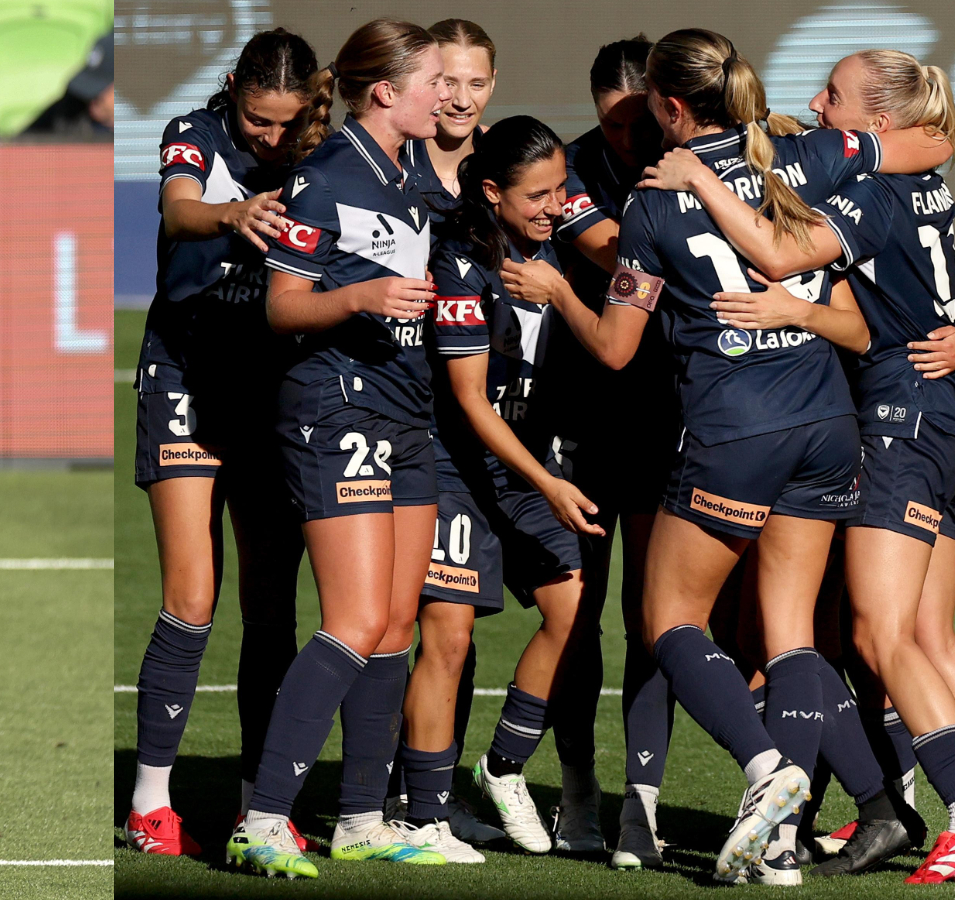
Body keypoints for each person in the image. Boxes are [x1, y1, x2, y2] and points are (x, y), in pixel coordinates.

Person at [503, 27, 954, 883]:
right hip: (828, 423)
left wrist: (560, 286)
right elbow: (928, 138)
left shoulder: (651, 202)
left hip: (733, 429)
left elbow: (616, 349)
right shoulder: (802, 152)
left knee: (667, 618)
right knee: (789, 638)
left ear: (671, 106)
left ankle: (767, 770)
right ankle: (823, 831)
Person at [641, 49, 955, 883]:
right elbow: (927, 175)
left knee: (878, 634)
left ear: (877, 122)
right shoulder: (916, 169)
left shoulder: (869, 185)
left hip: (899, 416)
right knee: (925, 634)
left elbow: (782, 258)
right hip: (952, 411)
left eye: (834, 95)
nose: (816, 105)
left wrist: (708, 199)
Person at [225, 18, 452, 879]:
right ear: (386, 90)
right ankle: (263, 816)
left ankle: (361, 816)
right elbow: (283, 305)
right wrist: (361, 296)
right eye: (433, 79)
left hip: (405, 410)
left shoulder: (407, 174)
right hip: (337, 406)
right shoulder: (323, 177)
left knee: (396, 624)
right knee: (355, 620)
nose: (448, 94)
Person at [124, 28, 317, 857]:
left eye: (285, 123)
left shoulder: (322, 155)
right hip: (187, 371)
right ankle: (149, 806)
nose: (269, 137)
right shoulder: (193, 135)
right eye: (256, 118)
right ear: (233, 88)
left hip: (274, 384)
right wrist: (229, 213)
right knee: (192, 596)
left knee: (272, 605)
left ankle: (258, 806)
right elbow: (177, 208)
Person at [416, 114, 607, 863]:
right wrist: (551, 484)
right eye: (537, 193)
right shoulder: (460, 261)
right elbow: (467, 401)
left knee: (572, 609)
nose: (555, 204)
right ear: (492, 192)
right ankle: (422, 809)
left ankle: (501, 769)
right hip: (456, 467)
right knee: (450, 638)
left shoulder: (554, 252)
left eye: (561, 187)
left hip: (526, 462)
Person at [540, 34, 681, 866]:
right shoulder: (575, 171)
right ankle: (579, 789)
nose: (627, 140)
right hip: (581, 415)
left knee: (652, 619)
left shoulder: (693, 158)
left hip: (673, 415)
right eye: (611, 125)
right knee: (577, 615)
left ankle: (644, 805)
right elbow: (616, 251)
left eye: (638, 123)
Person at [386, 17, 505, 854]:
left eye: (475, 81)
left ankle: (427, 786)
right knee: (429, 628)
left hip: (484, 432)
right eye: (447, 80)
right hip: (406, 423)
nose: (459, 97)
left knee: (454, 630)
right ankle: (403, 797)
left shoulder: (508, 168)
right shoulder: (389, 162)